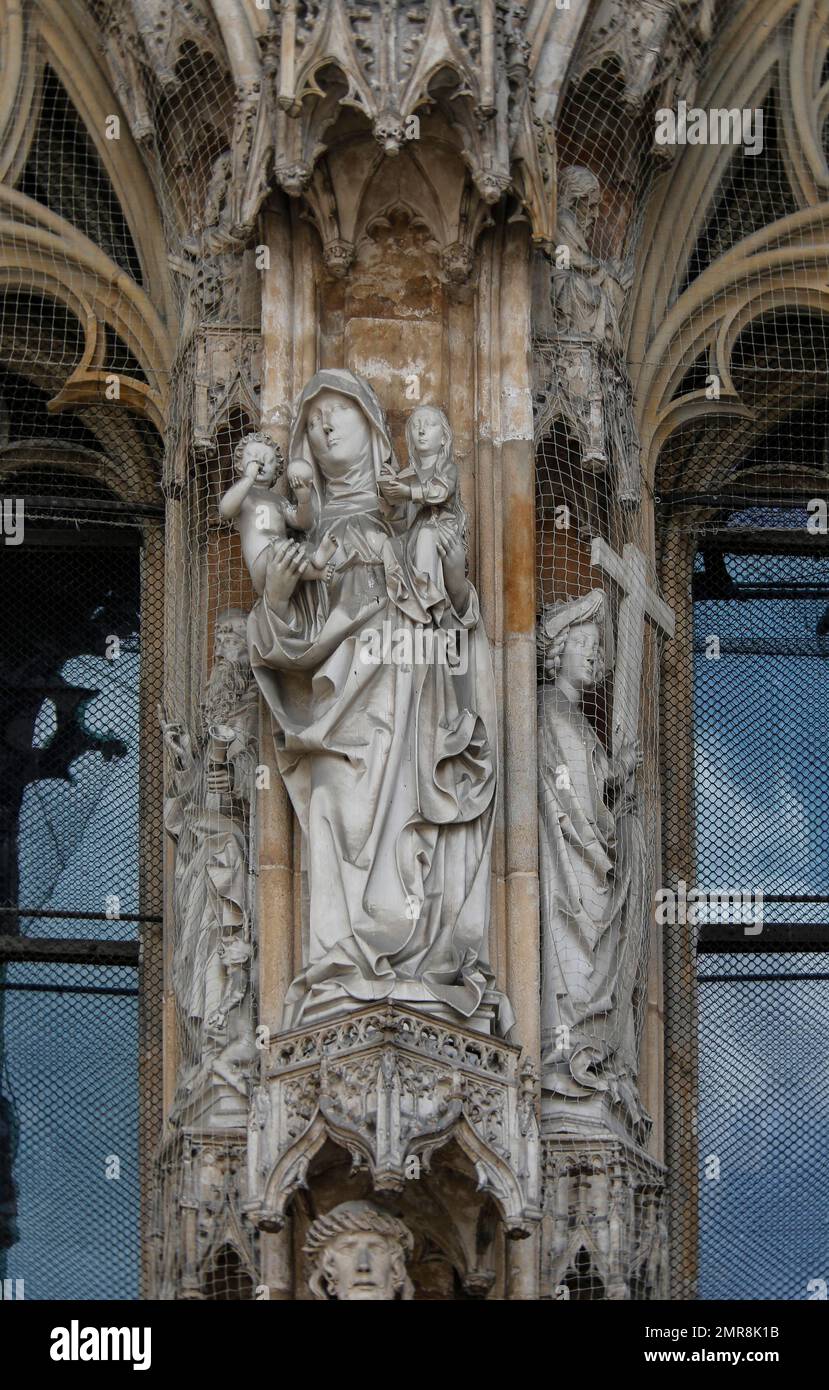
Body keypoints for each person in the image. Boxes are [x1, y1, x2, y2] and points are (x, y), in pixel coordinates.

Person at [247, 369, 512, 1033]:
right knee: (334, 803)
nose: (324, 426)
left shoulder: (408, 523)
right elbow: (284, 642)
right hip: (338, 708)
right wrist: (278, 599)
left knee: (411, 821)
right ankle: (343, 967)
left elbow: (457, 618)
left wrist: (447, 573)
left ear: (371, 425)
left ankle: (417, 963)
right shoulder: (306, 536)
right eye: (311, 420)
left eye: (338, 412)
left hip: (410, 695)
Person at [537, 591, 648, 1132]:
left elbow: (591, 793)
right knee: (569, 970)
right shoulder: (543, 710)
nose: (592, 652)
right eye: (581, 642)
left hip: (591, 866)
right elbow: (551, 796)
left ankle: (590, 1062)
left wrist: (617, 774)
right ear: (558, 650)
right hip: (564, 867)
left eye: (596, 644)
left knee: (589, 962)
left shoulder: (582, 726)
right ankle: (564, 1062)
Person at [158, 608, 258, 1120]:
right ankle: (209, 1047)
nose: (223, 641)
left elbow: (266, 792)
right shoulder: (214, 706)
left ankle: (232, 1036)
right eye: (218, 632)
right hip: (200, 854)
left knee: (225, 934)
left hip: (233, 850)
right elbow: (191, 798)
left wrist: (234, 765)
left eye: (234, 633)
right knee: (198, 945)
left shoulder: (259, 702)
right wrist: (185, 758)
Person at [378, 404, 468, 625]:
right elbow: (398, 516)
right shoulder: (407, 474)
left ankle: (429, 608)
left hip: (442, 531)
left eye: (429, 425)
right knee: (385, 544)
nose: (421, 430)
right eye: (416, 426)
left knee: (427, 536)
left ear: (444, 438)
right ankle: (399, 612)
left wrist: (408, 491)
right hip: (412, 537)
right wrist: (388, 489)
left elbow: (440, 491)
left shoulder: (447, 468)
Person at [219, 432, 337, 596]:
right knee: (280, 548)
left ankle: (317, 568)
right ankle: (314, 563)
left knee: (302, 547)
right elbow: (225, 510)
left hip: (284, 561)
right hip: (260, 564)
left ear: (277, 470)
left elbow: (304, 524)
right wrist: (248, 477)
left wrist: (303, 499)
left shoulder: (279, 501)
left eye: (268, 459)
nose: (261, 461)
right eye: (253, 457)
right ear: (240, 465)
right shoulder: (243, 495)